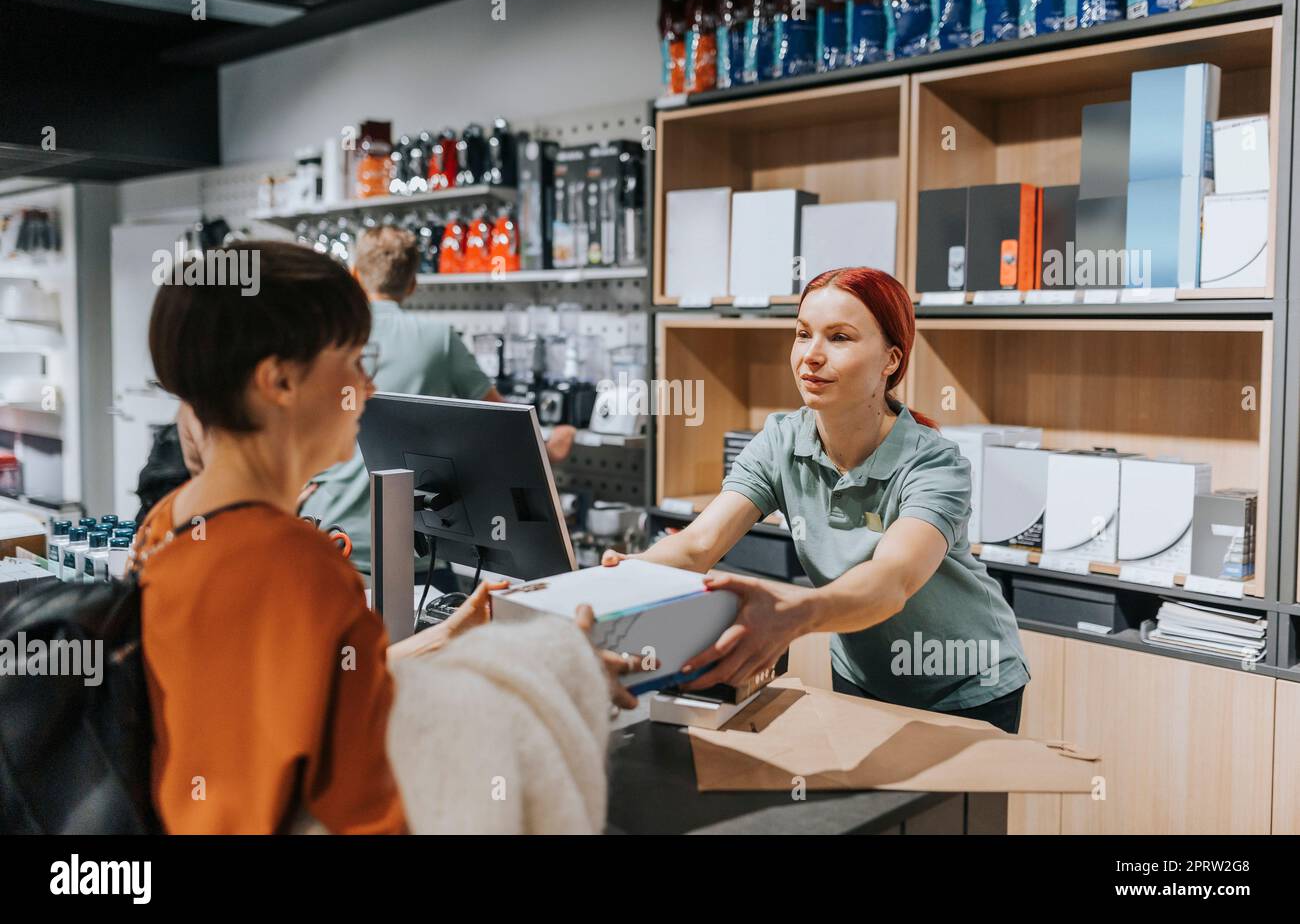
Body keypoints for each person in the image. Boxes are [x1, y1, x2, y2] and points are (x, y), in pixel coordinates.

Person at [135, 241, 634, 834]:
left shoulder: (167, 523)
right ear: (280, 382)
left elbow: (316, 708)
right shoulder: (291, 565)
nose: (368, 388)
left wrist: (449, 635)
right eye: (352, 362)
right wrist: (556, 669)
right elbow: (374, 804)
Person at [604, 267, 1030, 733]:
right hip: (861, 672)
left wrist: (794, 614)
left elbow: (893, 579)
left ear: (891, 360)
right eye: (803, 334)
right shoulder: (781, 441)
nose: (811, 356)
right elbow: (696, 545)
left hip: (965, 685)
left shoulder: (934, 465)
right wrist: (610, 585)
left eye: (839, 338)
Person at [300, 225, 574, 575]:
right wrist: (555, 448)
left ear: (355, 275)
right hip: (411, 541)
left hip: (332, 532)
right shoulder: (438, 339)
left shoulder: (325, 335)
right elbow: (508, 423)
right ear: (413, 283)